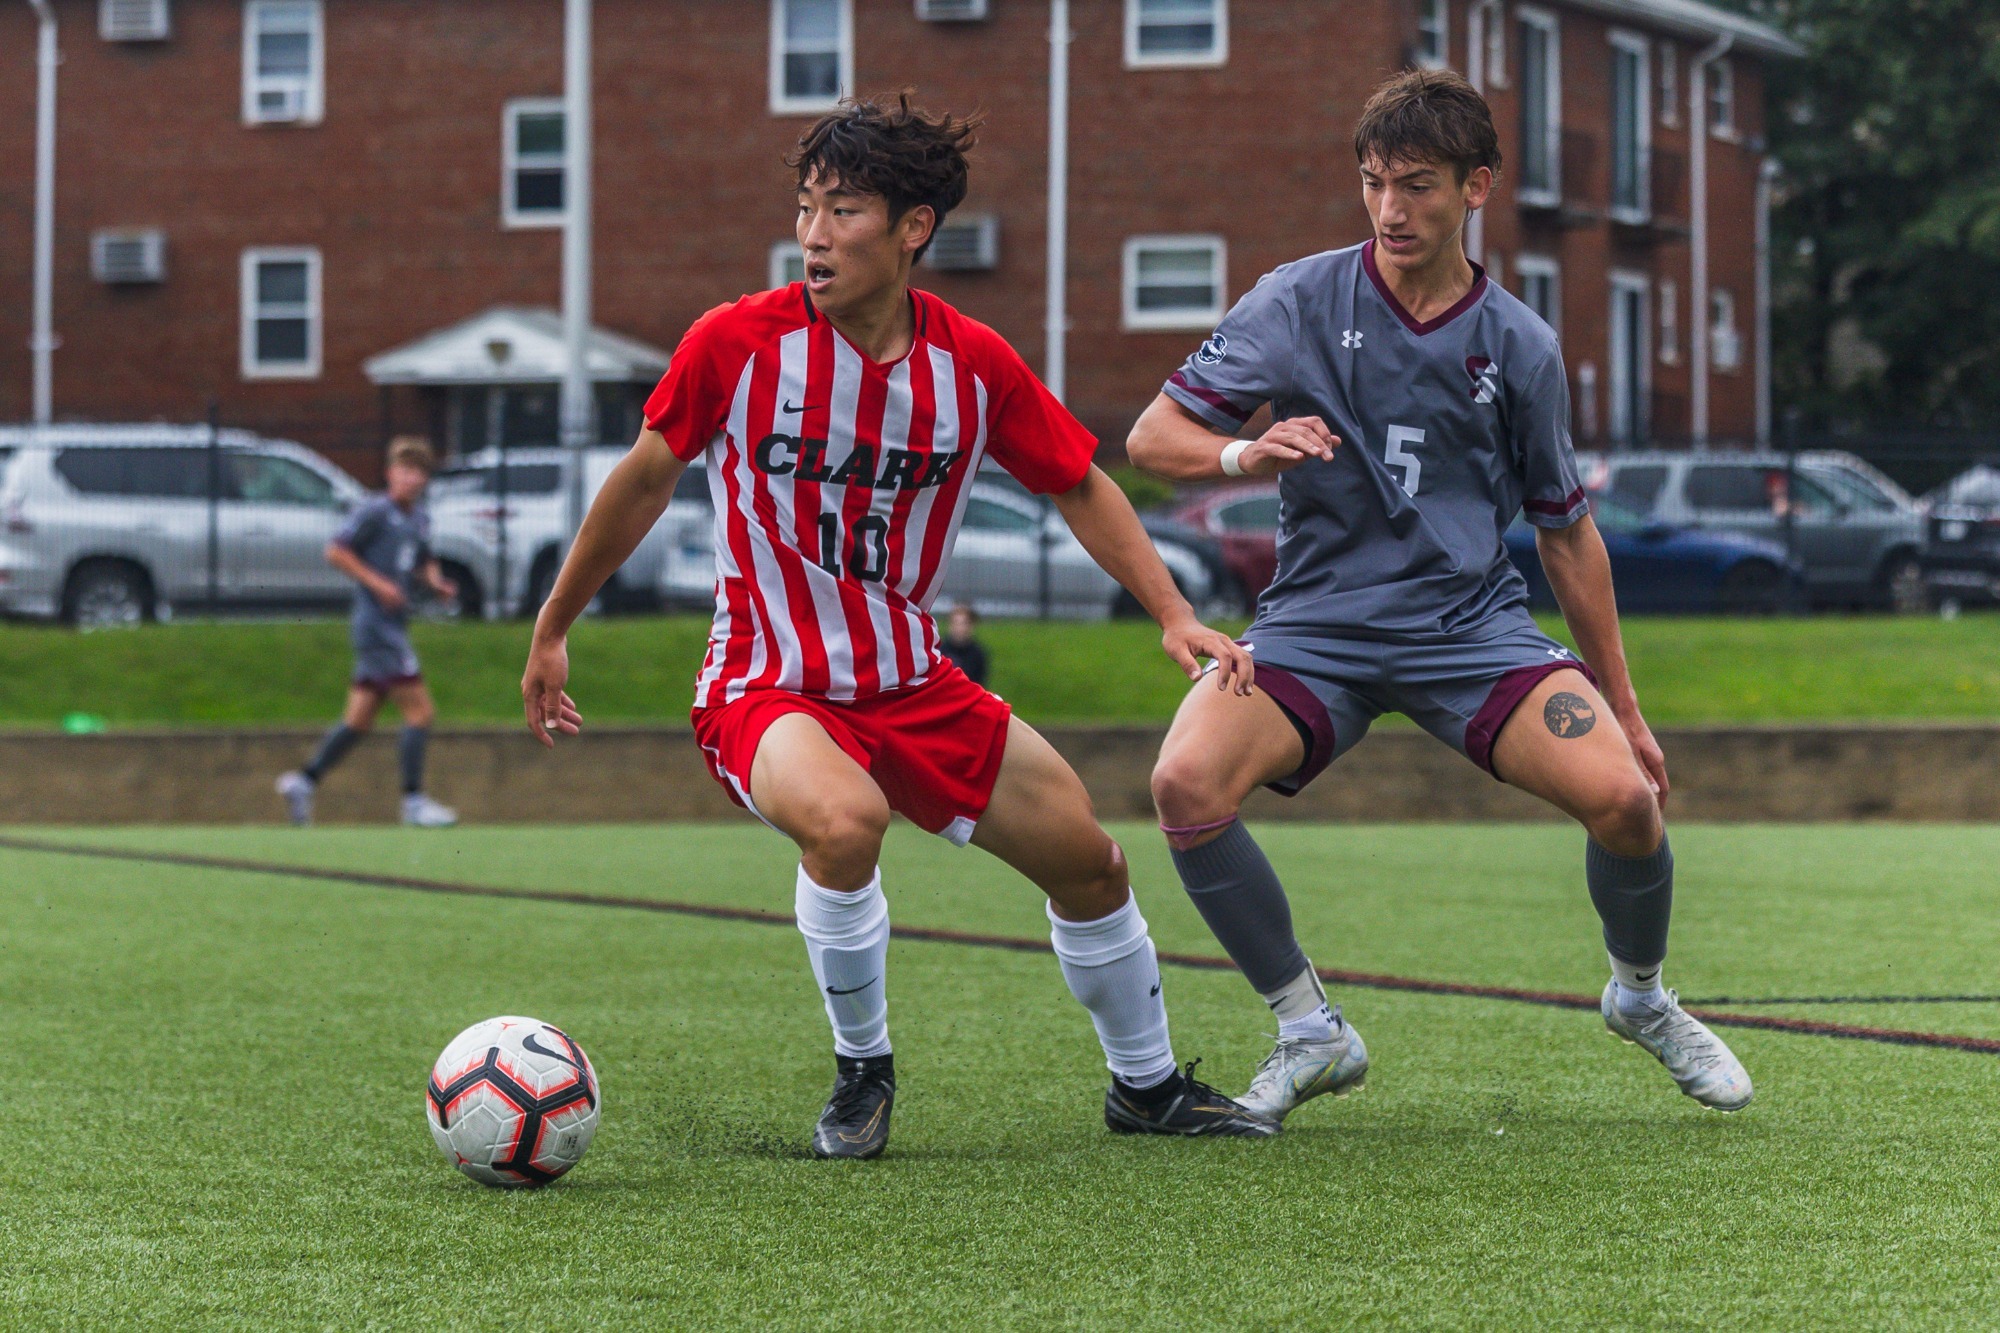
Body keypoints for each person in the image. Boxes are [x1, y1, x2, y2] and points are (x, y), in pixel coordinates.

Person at [520, 93, 1274, 1159]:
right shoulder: (735, 343)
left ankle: (1145, 1088)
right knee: (844, 820)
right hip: (764, 683)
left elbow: (1080, 484)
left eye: (843, 210)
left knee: (1094, 865)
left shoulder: (972, 363)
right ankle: (861, 1073)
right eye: (805, 208)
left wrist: (1171, 611)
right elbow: (643, 481)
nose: (813, 234)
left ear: (912, 228)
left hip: (913, 682)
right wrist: (554, 626)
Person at [1127, 70, 1751, 1124]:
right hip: (1312, 630)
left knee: (1626, 804)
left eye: (1414, 185)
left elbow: (1564, 533)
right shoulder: (1295, 298)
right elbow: (1150, 439)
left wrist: (1627, 707)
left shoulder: (1519, 344)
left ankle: (1639, 998)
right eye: (1372, 183)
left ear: (1477, 188)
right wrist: (1244, 447)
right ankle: (1307, 1029)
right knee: (1183, 782)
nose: (1388, 209)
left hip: (1470, 632)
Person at [278, 436, 460, 829]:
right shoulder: (376, 511)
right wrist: (378, 585)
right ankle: (413, 802)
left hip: (392, 625)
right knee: (420, 711)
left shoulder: (419, 518)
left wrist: (436, 582)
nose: (411, 479)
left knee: (358, 720)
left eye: (419, 473)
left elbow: (422, 558)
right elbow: (336, 551)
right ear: (390, 473)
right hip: (376, 627)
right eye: (405, 471)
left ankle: (304, 782)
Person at [937, 602, 989, 686]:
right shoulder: (939, 651)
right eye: (956, 623)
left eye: (964, 623)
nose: (959, 628)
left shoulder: (977, 654)